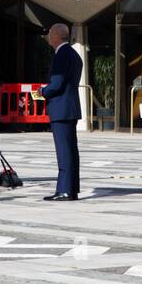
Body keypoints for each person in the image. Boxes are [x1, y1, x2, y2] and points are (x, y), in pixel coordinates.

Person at [39, 23, 82, 201]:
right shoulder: (74, 54)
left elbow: (56, 84)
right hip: (70, 107)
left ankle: (64, 190)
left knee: (64, 152)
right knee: (71, 151)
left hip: (61, 108)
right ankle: (71, 189)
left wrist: (43, 91)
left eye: (49, 33)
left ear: (57, 35)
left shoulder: (61, 55)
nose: (48, 36)